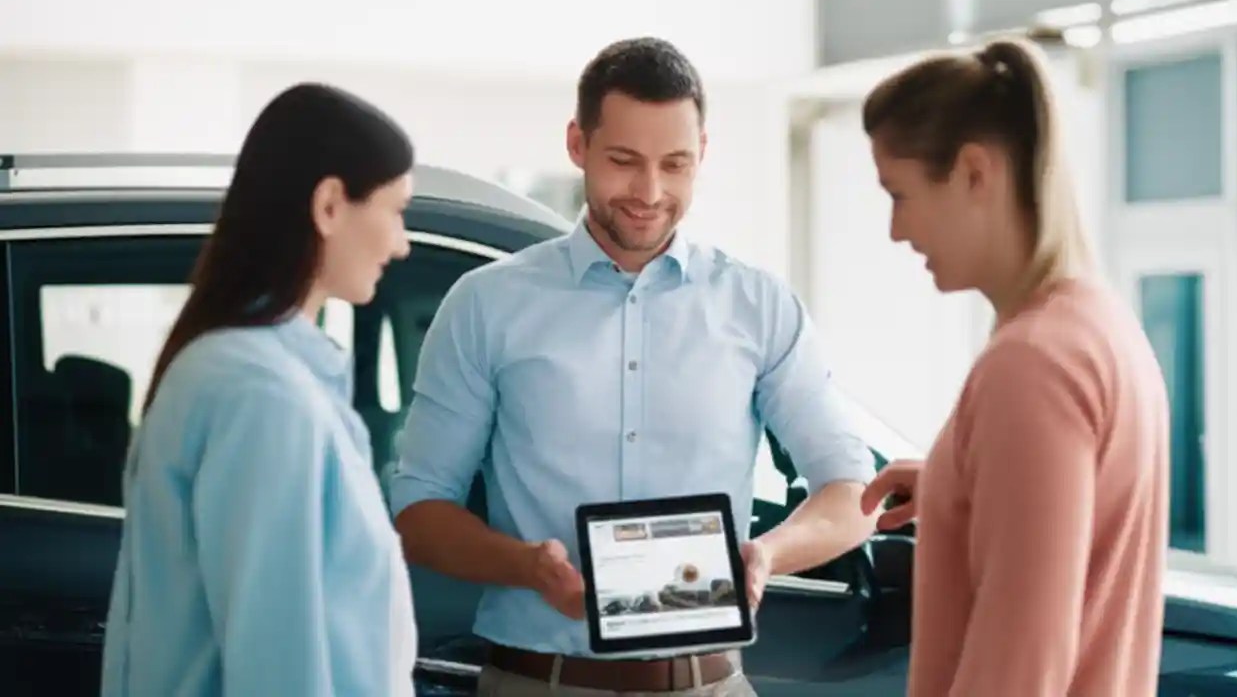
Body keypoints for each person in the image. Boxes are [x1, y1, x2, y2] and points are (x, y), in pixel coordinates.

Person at [391, 36, 879, 696]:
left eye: (675, 164)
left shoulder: (758, 306)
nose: (650, 192)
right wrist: (527, 567)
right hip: (539, 682)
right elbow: (420, 512)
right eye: (624, 160)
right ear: (577, 144)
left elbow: (853, 494)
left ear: (702, 153)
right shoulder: (486, 306)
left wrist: (767, 556)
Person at [857, 38, 1171, 696]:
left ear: (975, 172)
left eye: (899, 194)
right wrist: (958, 480)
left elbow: (1020, 673)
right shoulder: (1099, 326)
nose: (895, 231)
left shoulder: (1031, 369)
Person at [100, 83, 419, 697]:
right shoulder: (261, 395)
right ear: (330, 205)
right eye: (396, 210)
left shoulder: (248, 374)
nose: (402, 242)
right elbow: (279, 663)